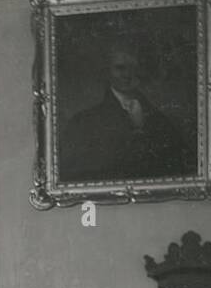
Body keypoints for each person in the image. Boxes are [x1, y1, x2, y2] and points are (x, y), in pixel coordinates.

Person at [58, 40, 193, 183]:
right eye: (120, 68)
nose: (128, 74)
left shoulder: (160, 118)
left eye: (133, 67)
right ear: (107, 71)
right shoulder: (84, 121)